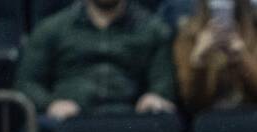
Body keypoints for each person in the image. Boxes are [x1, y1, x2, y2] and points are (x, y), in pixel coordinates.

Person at [16, 0, 177, 120]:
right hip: (69, 118)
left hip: (129, 116)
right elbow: (27, 83)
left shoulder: (153, 29)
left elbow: (163, 81)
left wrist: (156, 96)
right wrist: (50, 104)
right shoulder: (51, 28)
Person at [172, 0, 257, 112]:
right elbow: (190, 103)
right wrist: (199, 59)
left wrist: (242, 57)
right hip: (208, 120)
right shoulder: (188, 34)